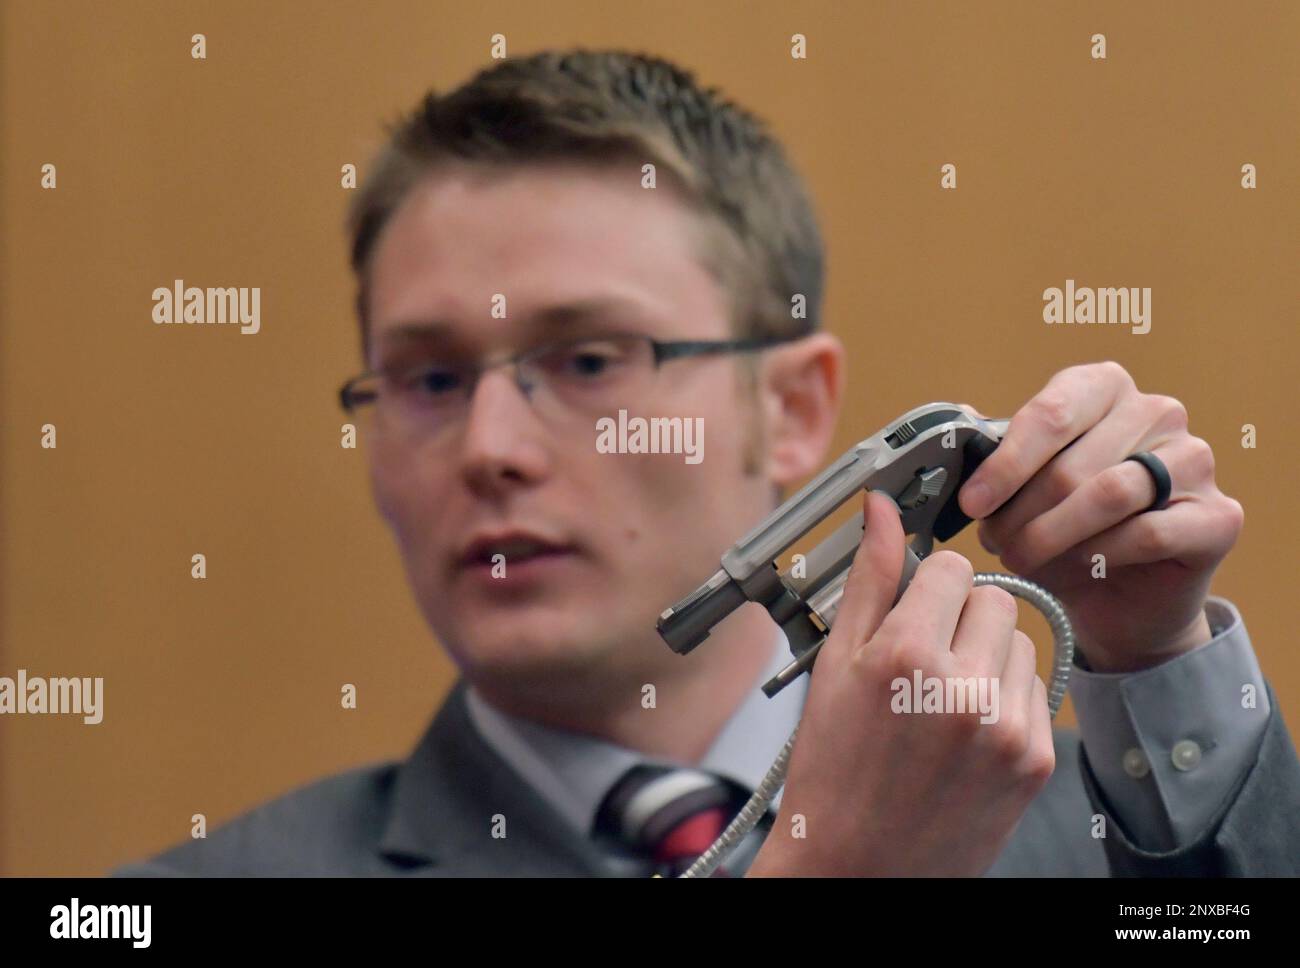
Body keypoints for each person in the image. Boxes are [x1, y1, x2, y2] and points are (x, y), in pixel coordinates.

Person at [116, 48, 1298, 878]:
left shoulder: (1107, 837)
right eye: (427, 379)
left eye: (586, 359)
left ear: (787, 409)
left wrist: (1155, 664)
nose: (488, 448)